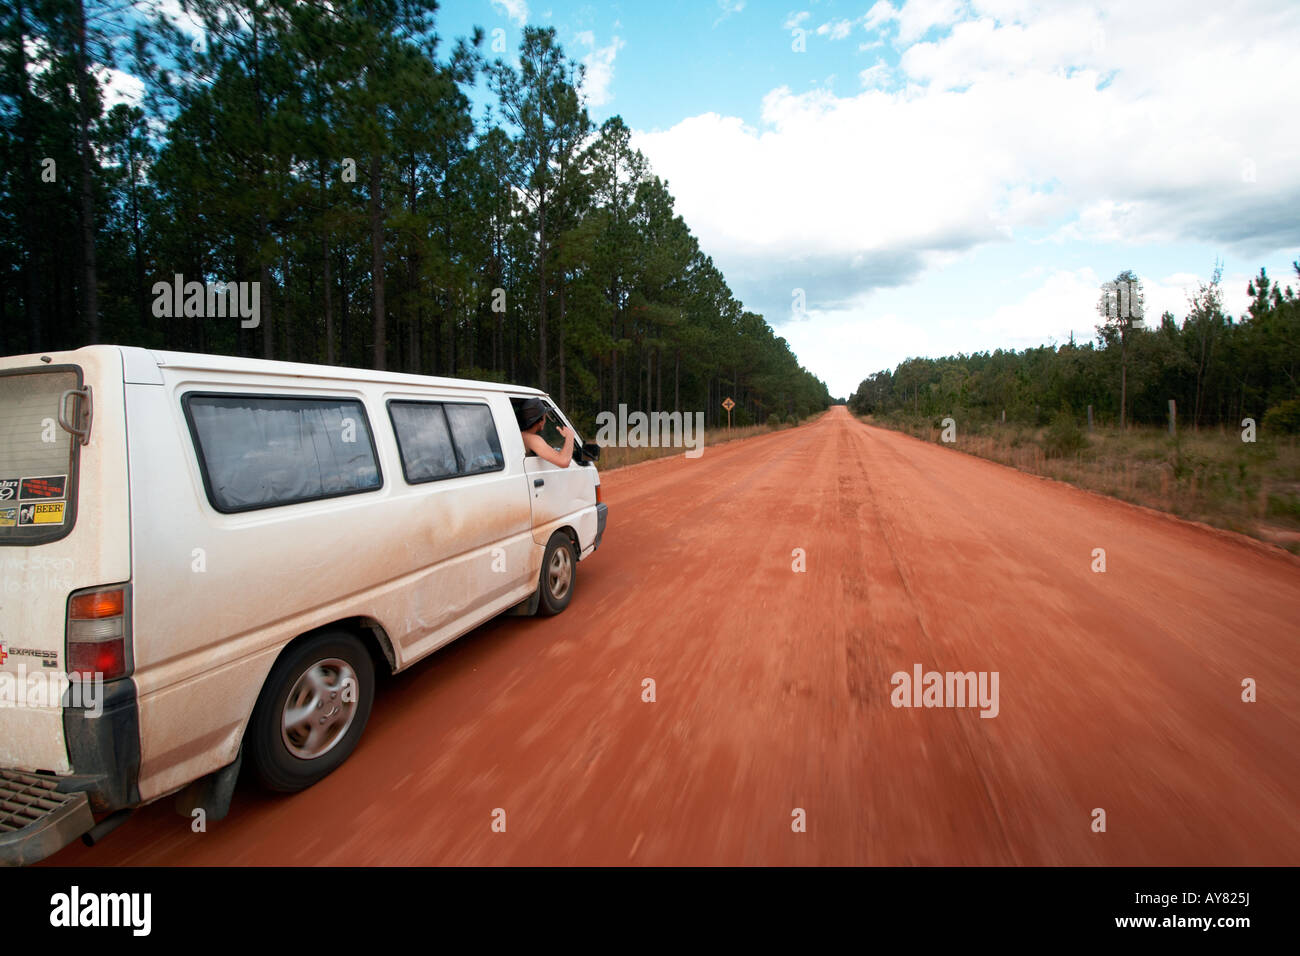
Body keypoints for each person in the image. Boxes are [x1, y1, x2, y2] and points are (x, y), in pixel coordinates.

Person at [516, 397, 575, 467]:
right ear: (541, 421)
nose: (545, 421)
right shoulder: (531, 439)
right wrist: (570, 436)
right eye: (545, 417)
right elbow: (563, 461)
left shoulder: (521, 435)